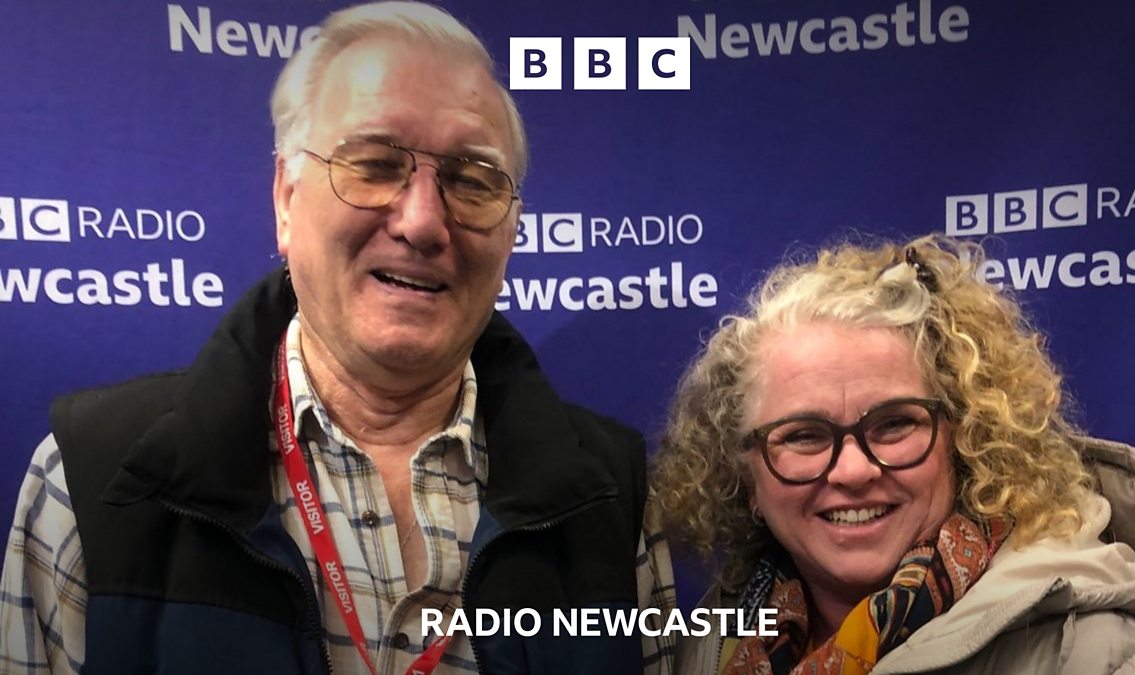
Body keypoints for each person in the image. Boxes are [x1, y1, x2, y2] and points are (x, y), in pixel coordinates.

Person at [0, 3, 674, 674]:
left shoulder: (612, 499)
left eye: (472, 180)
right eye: (376, 164)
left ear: (512, 230)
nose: (422, 222)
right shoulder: (91, 483)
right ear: (286, 200)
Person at [652, 235, 1135, 674]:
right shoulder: (721, 639)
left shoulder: (1099, 657)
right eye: (803, 435)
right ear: (747, 479)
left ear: (965, 442)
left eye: (894, 425)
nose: (853, 470)